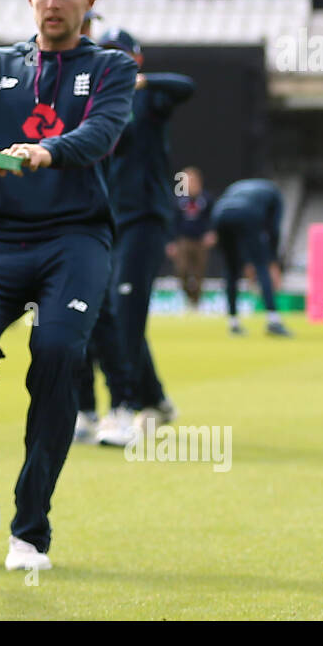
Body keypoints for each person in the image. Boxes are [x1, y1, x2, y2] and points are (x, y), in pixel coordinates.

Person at [0, 0, 136, 570]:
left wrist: (46, 151)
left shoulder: (110, 67)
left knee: (56, 354)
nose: (53, 2)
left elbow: (100, 134)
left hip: (74, 238)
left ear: (90, 0)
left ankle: (30, 527)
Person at [74, 31, 194, 448]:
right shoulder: (94, 106)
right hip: (107, 220)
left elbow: (185, 87)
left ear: (136, 59)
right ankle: (152, 399)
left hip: (145, 219)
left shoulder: (148, 99)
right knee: (102, 314)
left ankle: (124, 408)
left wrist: (141, 82)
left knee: (126, 313)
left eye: (120, 56)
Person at [210, 178, 292, 337]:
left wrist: (246, 262)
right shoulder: (274, 194)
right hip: (247, 214)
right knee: (262, 266)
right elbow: (274, 231)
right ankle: (273, 320)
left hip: (220, 214)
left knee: (231, 269)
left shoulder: (237, 186)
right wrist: (273, 261)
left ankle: (233, 323)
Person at [169, 166, 215, 310]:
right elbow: (173, 221)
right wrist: (171, 242)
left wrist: (212, 233)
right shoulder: (179, 199)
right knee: (181, 270)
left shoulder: (206, 198)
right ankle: (188, 296)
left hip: (200, 240)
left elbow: (213, 217)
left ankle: (195, 302)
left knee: (199, 272)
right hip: (184, 240)